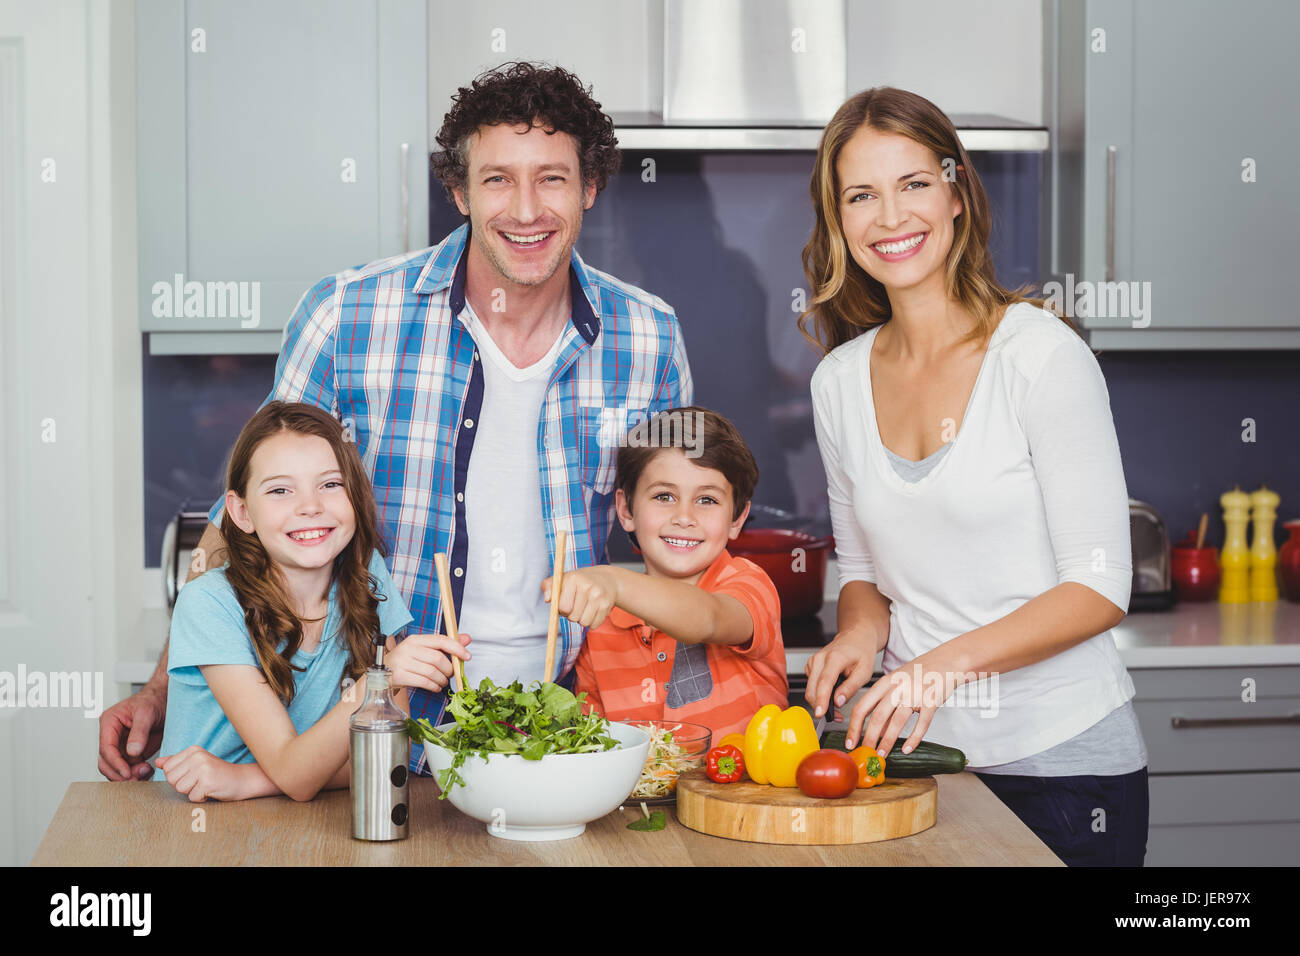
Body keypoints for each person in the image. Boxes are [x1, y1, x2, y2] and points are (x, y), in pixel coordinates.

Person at [99, 61, 692, 782]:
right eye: (498, 178)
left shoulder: (649, 338)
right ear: (459, 190)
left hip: (561, 731)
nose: (526, 209)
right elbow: (250, 517)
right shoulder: (347, 315)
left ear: (590, 187)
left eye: (553, 178)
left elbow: (677, 547)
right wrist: (165, 686)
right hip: (375, 734)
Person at [799, 87, 1148, 866]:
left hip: (1063, 770)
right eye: (862, 195)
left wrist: (934, 668)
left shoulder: (1041, 356)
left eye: (914, 184)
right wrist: (859, 631)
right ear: (839, 220)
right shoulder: (840, 383)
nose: (890, 217)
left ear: (956, 192)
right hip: (918, 766)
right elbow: (862, 575)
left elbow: (1097, 587)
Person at [157, 402, 471, 801]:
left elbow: (388, 755)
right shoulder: (210, 602)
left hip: (303, 818)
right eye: (280, 490)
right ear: (241, 512)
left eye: (330, 484)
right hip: (194, 818)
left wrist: (245, 780)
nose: (310, 506)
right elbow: (296, 774)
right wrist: (384, 676)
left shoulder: (366, 572)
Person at [556, 407, 787, 742]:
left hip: (741, 795)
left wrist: (614, 581)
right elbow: (594, 744)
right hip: (639, 796)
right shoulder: (600, 622)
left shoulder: (748, 584)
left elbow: (706, 617)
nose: (684, 516)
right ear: (626, 510)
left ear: (737, 519)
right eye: (664, 496)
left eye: (707, 500)